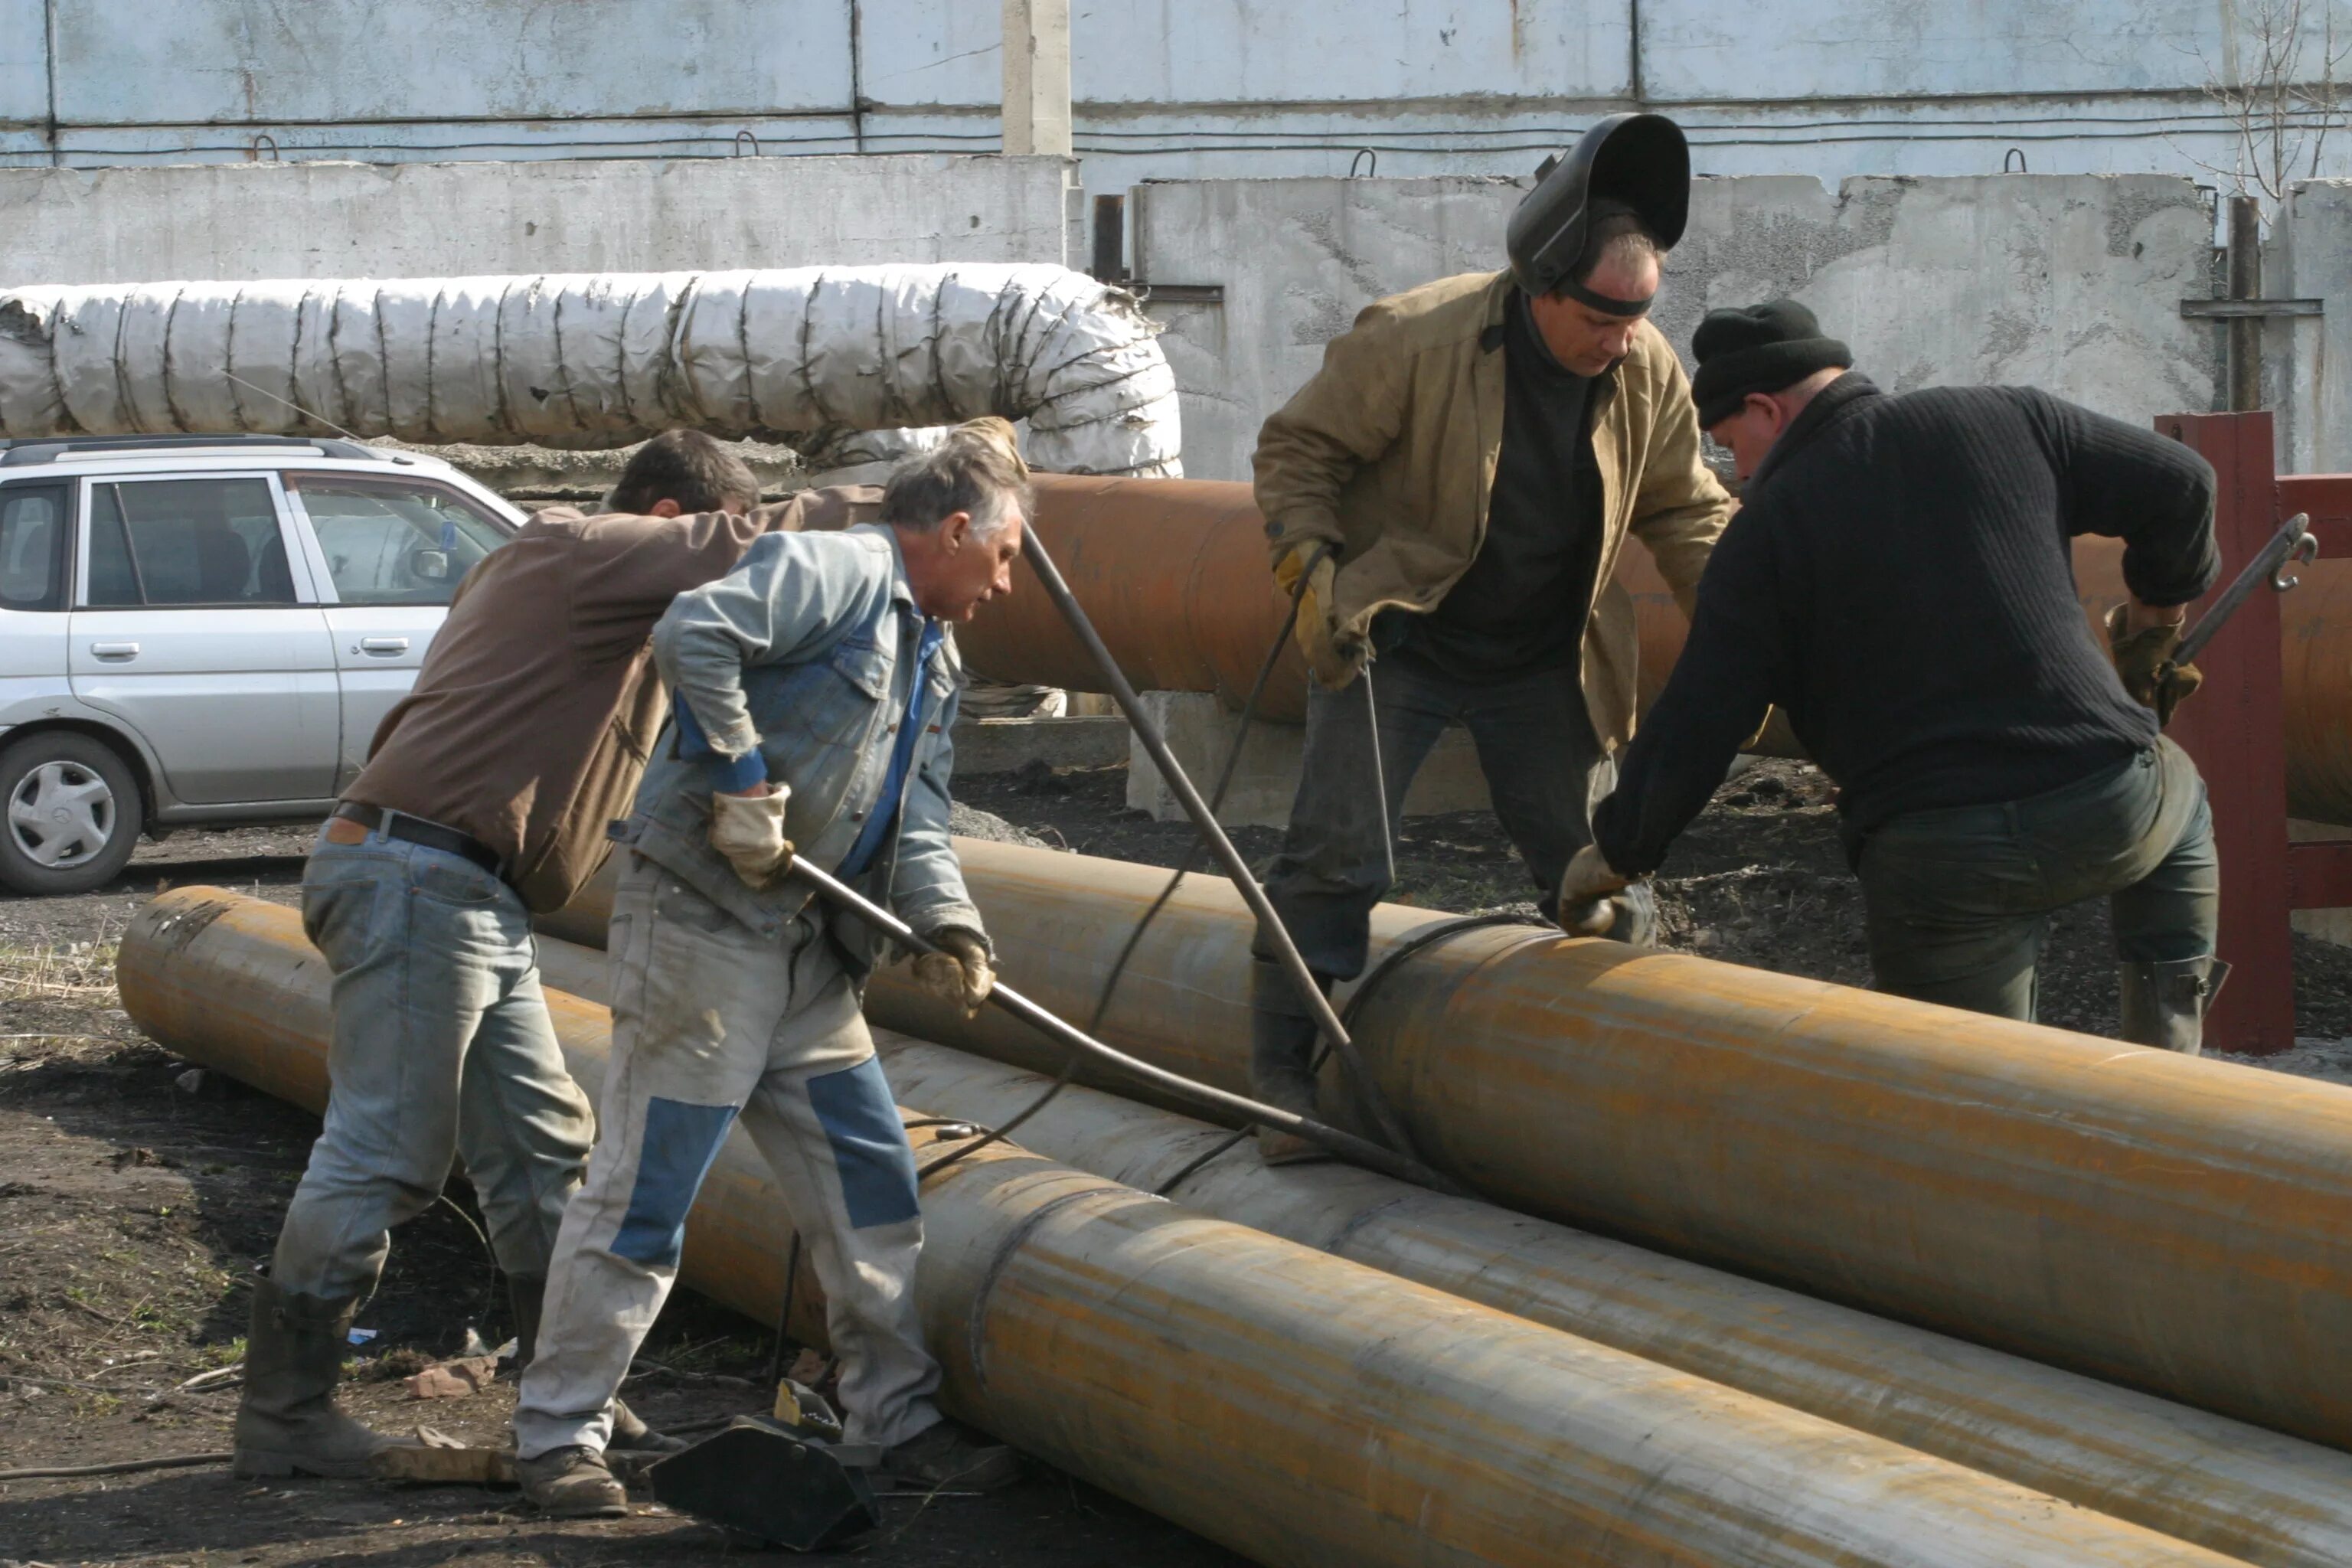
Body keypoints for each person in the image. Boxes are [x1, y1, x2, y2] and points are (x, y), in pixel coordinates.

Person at [234, 433, 874, 1479]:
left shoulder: (604, 626)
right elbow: (746, 542)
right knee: (385, 1154)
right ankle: (285, 1411)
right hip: (418, 877)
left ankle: (567, 1393)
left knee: (542, 1148)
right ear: (664, 520)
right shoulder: (576, 549)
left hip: (465, 892)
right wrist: (899, 512)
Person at [511, 419, 1030, 1515]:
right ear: (952, 529)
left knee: (870, 1185)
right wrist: (744, 782)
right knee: (649, 1188)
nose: (1010, 579)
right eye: (1007, 552)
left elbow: (918, 822)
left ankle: (898, 1416)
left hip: (809, 955)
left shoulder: (936, 657)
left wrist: (952, 929)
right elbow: (695, 632)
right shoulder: (836, 568)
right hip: (706, 926)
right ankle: (559, 1435)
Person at [1245, 113, 1732, 1160]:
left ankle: (1610, 1072)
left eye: (1639, 318)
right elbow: (1299, 449)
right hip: (1402, 634)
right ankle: (1285, 1074)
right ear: (1543, 291)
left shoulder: (1643, 369)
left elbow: (1686, 509)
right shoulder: (1419, 339)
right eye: (1602, 319)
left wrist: (1749, 622)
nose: (1621, 341)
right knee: (1337, 857)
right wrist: (1309, 569)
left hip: (1545, 653)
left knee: (1588, 864)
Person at [1565, 300, 2227, 1050]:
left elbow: (1701, 718)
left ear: (1765, 407)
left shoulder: (1763, 535)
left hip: (1938, 858)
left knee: (1961, 1091)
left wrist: (1619, 850)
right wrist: (2153, 627)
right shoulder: (2009, 417)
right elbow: (2185, 483)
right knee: (2180, 794)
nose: (1739, 473)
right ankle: (2171, 1057)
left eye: (1730, 445)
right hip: (2109, 804)